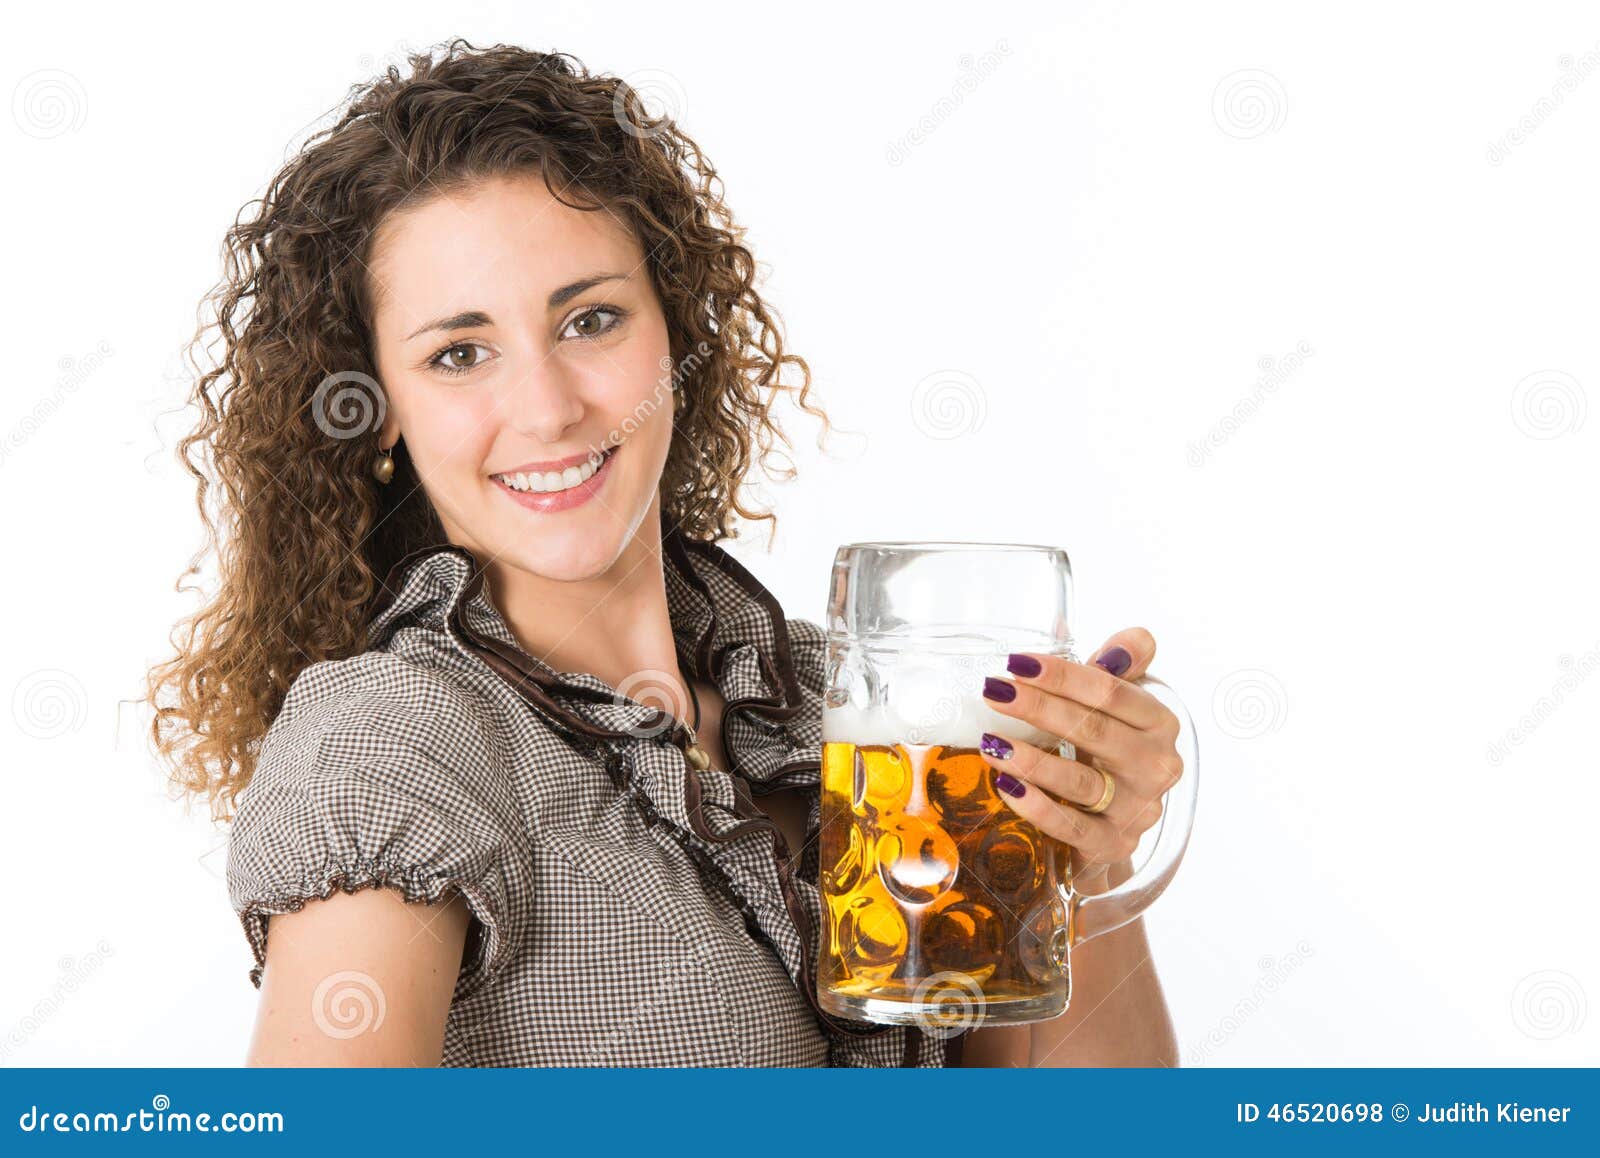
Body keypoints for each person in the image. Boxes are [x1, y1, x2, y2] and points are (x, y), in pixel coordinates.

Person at [144, 38, 1186, 1067]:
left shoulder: (845, 704)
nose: (547, 408)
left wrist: (1082, 854)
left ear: (674, 333)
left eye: (590, 320)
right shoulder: (398, 743)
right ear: (377, 406)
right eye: (459, 354)